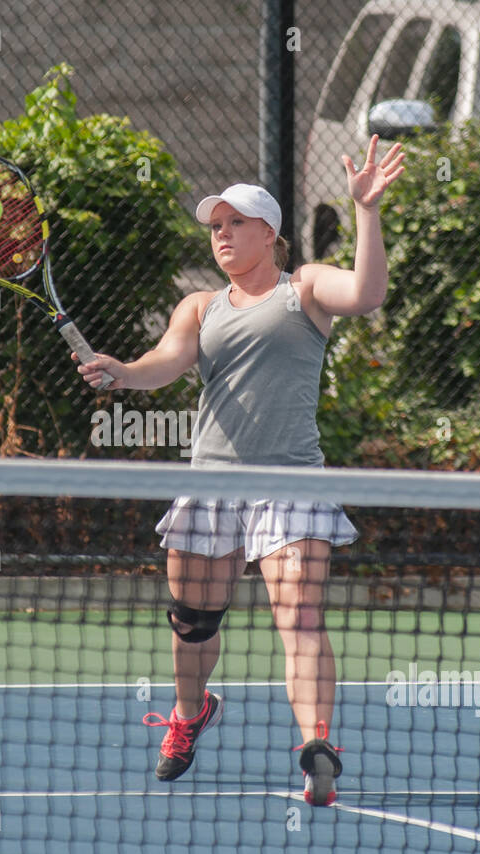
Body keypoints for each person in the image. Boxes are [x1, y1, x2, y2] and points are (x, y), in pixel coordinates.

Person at [76, 135, 405, 806]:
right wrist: (122, 372)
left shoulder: (305, 289)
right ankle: (190, 712)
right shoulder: (199, 307)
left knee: (301, 615)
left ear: (270, 233)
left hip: (292, 483)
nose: (222, 235)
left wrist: (366, 211)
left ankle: (318, 743)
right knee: (193, 622)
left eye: (235, 224)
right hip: (212, 483)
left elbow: (368, 292)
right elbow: (163, 362)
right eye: (215, 226)